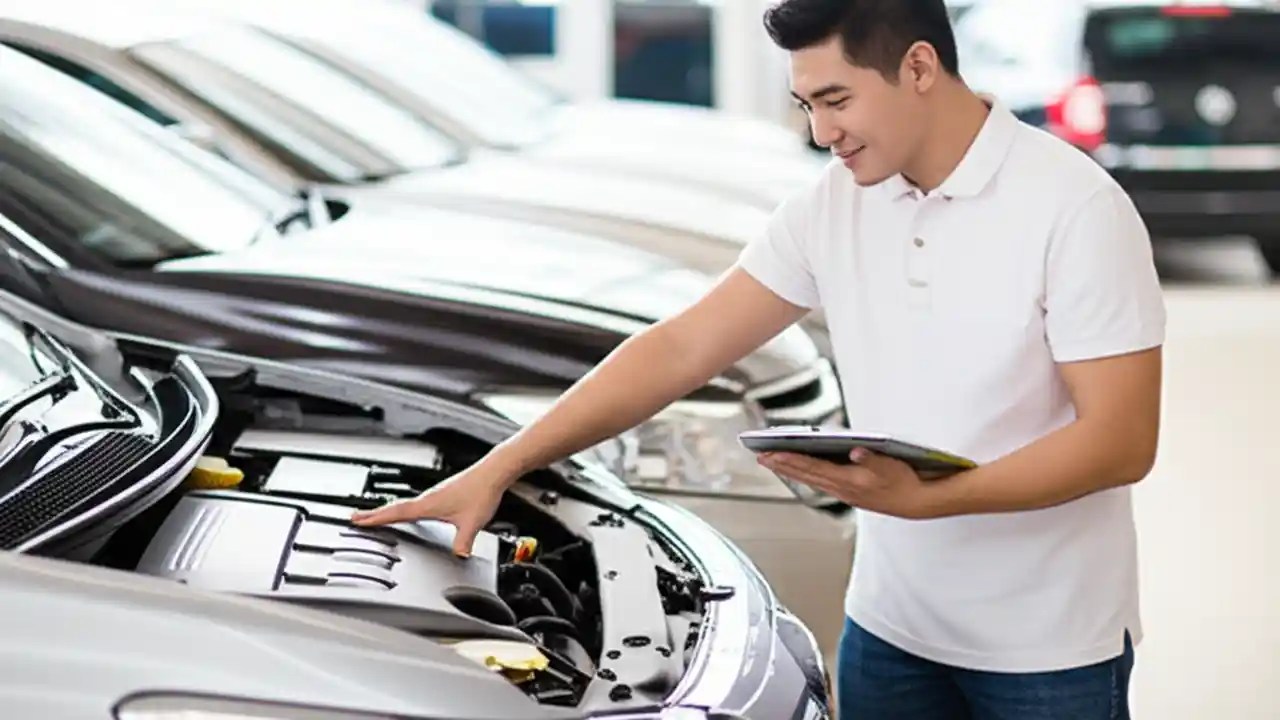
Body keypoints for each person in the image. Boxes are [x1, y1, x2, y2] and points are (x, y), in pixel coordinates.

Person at [353, 0, 1166, 717]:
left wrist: (929, 502)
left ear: (920, 66)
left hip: (1046, 647)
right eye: (806, 103)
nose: (821, 131)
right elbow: (680, 347)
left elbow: (1121, 440)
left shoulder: (1076, 209)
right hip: (891, 631)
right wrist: (501, 465)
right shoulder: (831, 205)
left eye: (837, 98)